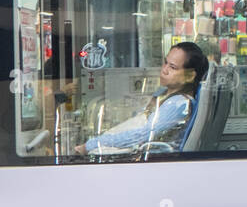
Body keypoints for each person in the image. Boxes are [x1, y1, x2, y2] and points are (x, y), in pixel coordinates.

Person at [75, 42, 208, 157]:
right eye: (165, 63)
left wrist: (92, 144)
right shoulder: (162, 94)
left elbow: (143, 135)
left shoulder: (178, 104)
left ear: (190, 76)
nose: (164, 70)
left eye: (172, 67)